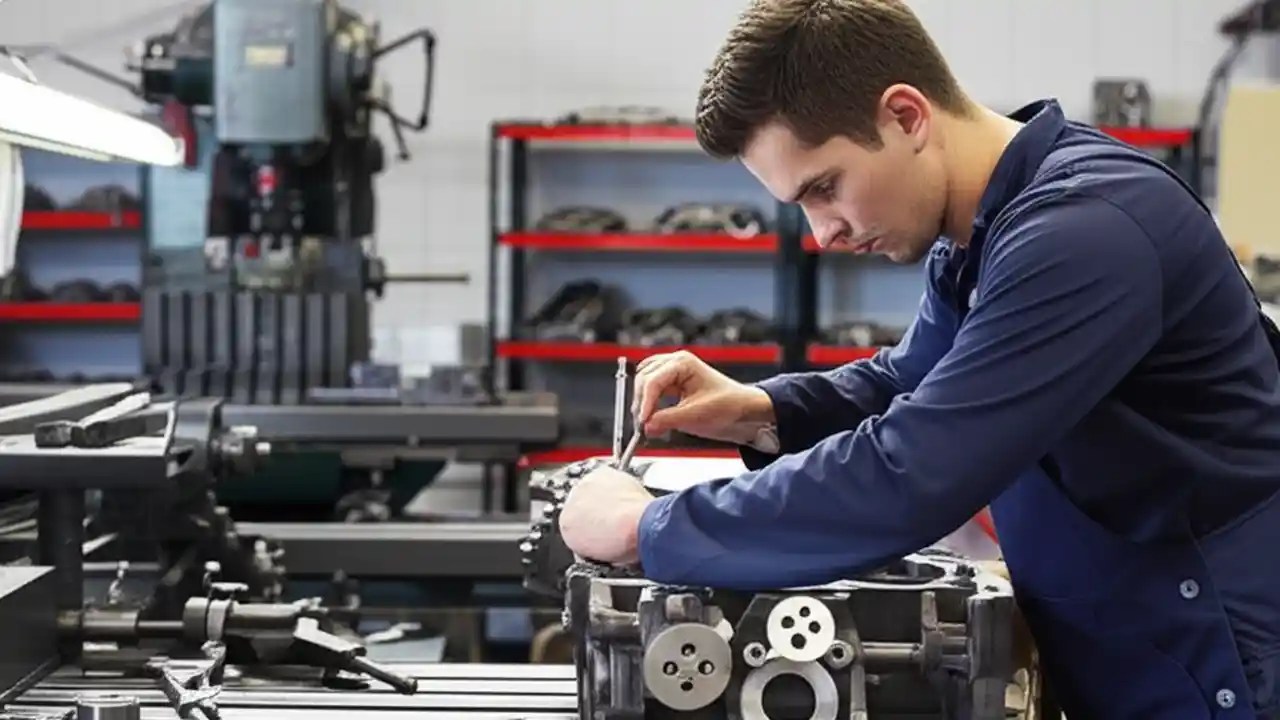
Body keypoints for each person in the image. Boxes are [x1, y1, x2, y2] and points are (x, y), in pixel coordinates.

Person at [558, 0, 1280, 716]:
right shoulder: (984, 233)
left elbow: (913, 471)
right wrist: (763, 413)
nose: (822, 235)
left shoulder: (1085, 232)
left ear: (905, 115)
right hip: (1139, 650)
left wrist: (646, 528)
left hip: (1221, 666)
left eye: (824, 188)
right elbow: (913, 383)